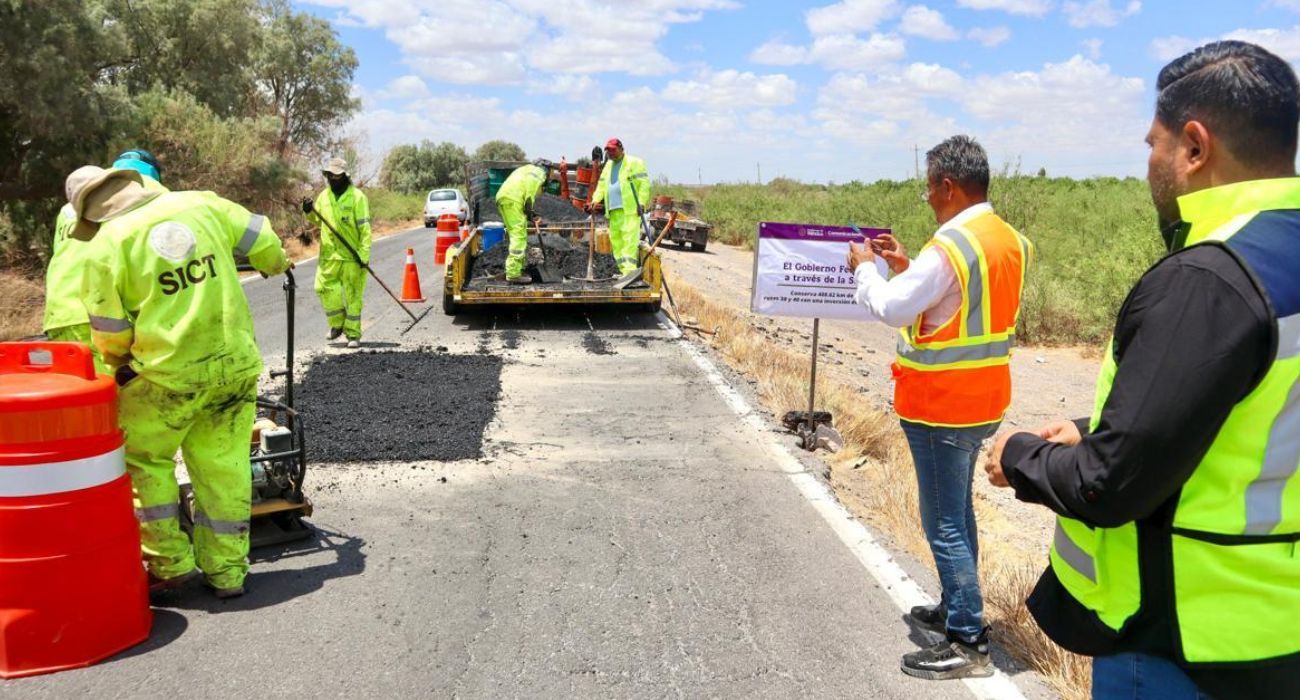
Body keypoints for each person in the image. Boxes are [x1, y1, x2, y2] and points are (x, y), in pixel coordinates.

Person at [986, 41, 1300, 700]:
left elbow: (1112, 486)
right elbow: (1254, 401)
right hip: (1274, 628)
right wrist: (1091, 425)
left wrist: (1018, 455)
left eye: (1151, 145)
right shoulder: (1282, 256)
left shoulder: (1207, 280)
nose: (1149, 165)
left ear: (1193, 147)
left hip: (1180, 642)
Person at [846, 135, 1033, 680]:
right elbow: (958, 303)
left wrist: (867, 268)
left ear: (948, 185)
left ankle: (968, 640)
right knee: (957, 511)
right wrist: (907, 264)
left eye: (929, 186)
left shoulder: (950, 246)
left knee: (944, 521)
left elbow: (890, 306)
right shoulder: (1008, 239)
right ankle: (958, 607)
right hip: (985, 398)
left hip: (941, 405)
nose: (927, 196)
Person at [74, 165, 290, 598]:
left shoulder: (103, 249)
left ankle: (170, 562)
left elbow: (111, 336)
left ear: (90, 213)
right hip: (233, 368)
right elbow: (264, 241)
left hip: (166, 380)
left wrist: (122, 364)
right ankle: (228, 572)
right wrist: (274, 263)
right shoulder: (200, 202)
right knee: (224, 468)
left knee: (142, 459)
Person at [42, 149, 166, 374]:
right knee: (115, 395)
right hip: (99, 315)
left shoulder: (69, 208)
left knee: (77, 393)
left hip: (58, 313)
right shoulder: (135, 200)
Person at [303, 157, 370, 348]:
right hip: (329, 256)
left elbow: (365, 229)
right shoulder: (324, 197)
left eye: (336, 175)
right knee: (322, 287)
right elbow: (319, 220)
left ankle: (353, 334)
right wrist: (308, 211)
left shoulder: (357, 198)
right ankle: (337, 324)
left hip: (351, 256)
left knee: (352, 294)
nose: (333, 178)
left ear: (344, 176)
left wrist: (363, 255)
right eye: (330, 175)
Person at [587, 138, 650, 276]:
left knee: (629, 242)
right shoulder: (608, 166)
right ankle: (623, 272)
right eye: (608, 151)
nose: (610, 153)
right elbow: (602, 186)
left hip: (630, 210)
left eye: (613, 150)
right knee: (617, 243)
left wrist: (642, 203)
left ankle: (629, 273)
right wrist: (594, 200)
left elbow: (644, 185)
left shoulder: (635, 163)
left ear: (621, 149)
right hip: (613, 211)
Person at [495, 159, 557, 285]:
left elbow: (524, 192)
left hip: (506, 198)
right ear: (545, 168)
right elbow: (529, 197)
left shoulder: (527, 170)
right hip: (513, 200)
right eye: (551, 171)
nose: (551, 175)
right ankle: (513, 274)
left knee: (517, 232)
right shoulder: (539, 173)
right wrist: (530, 212)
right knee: (519, 234)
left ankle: (517, 269)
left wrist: (531, 215)